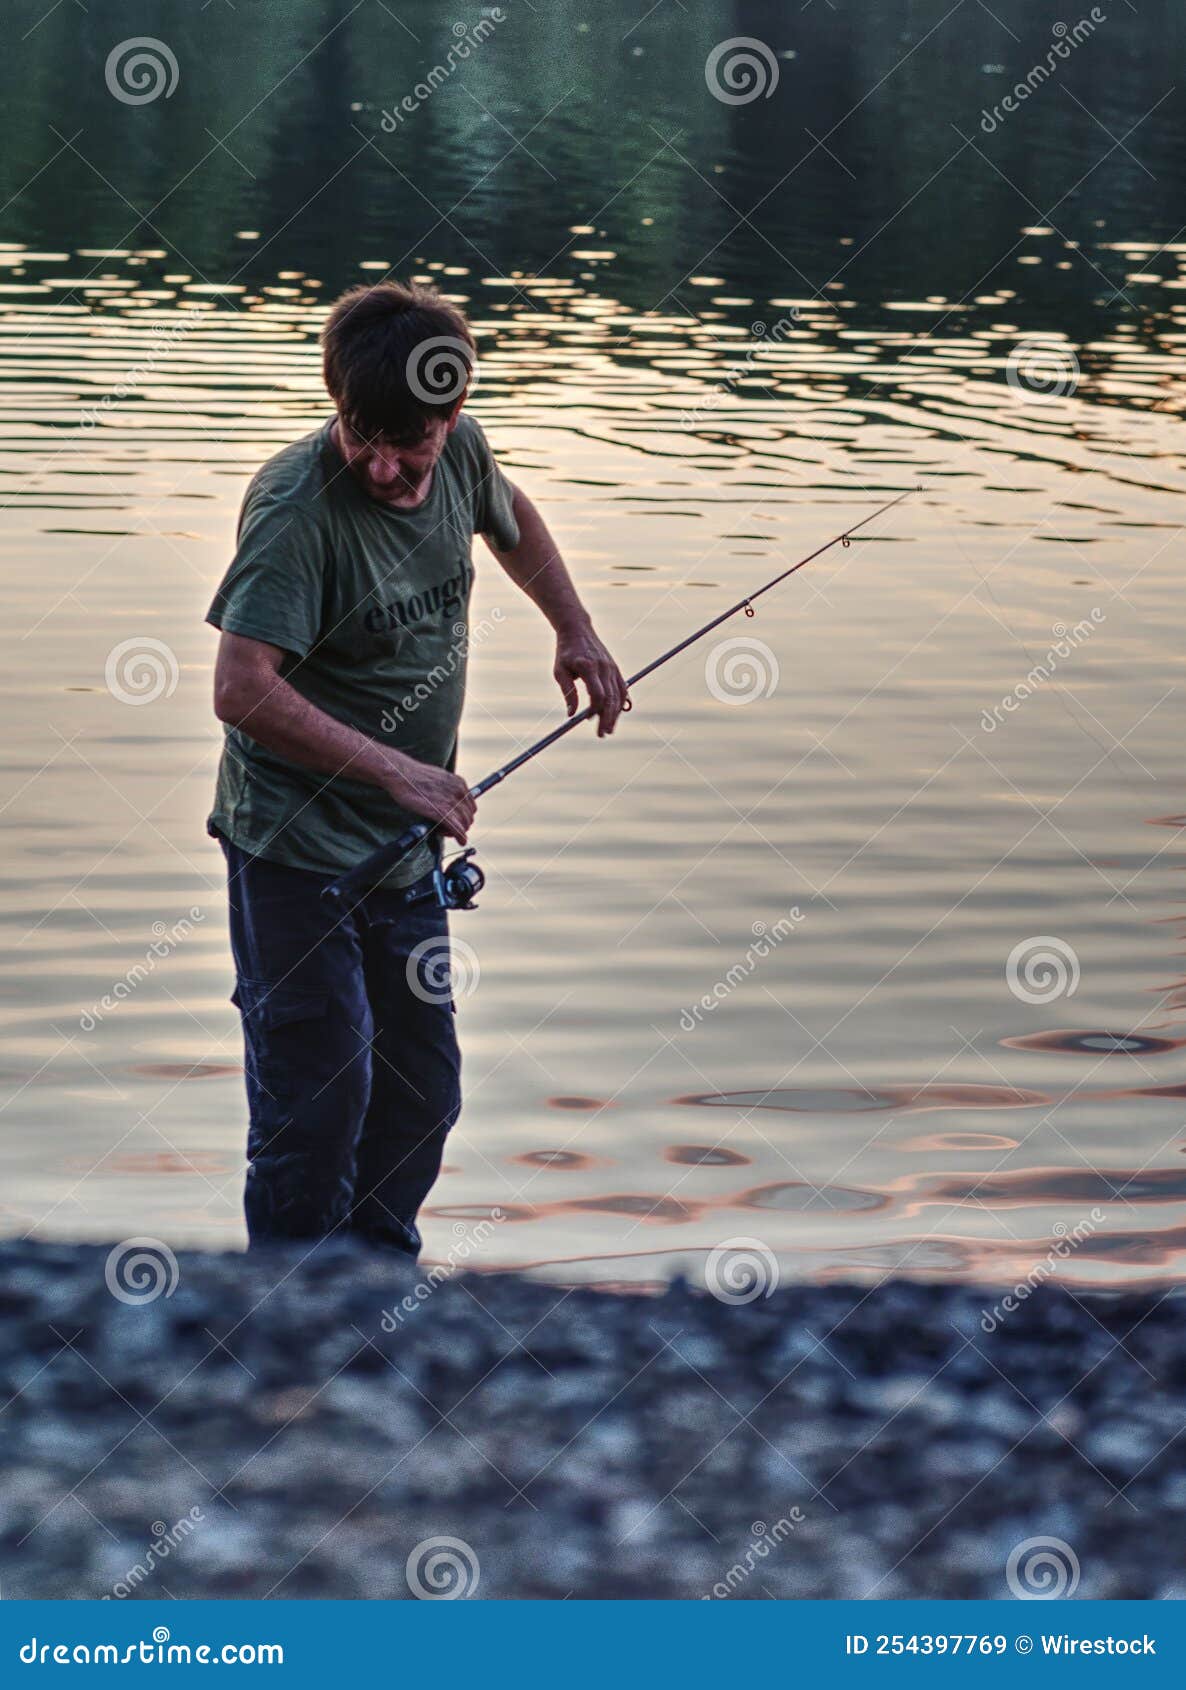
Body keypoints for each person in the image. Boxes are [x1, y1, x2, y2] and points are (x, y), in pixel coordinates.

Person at [206, 282, 627, 1255]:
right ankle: (282, 1307)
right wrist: (397, 771)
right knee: (318, 1099)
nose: (386, 464)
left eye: (413, 441)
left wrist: (573, 626)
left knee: (420, 1092)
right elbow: (240, 686)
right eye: (363, 435)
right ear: (337, 407)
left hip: (401, 855)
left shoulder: (464, 451)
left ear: (453, 415)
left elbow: (506, 509)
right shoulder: (295, 513)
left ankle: (373, 1278)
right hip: (293, 857)